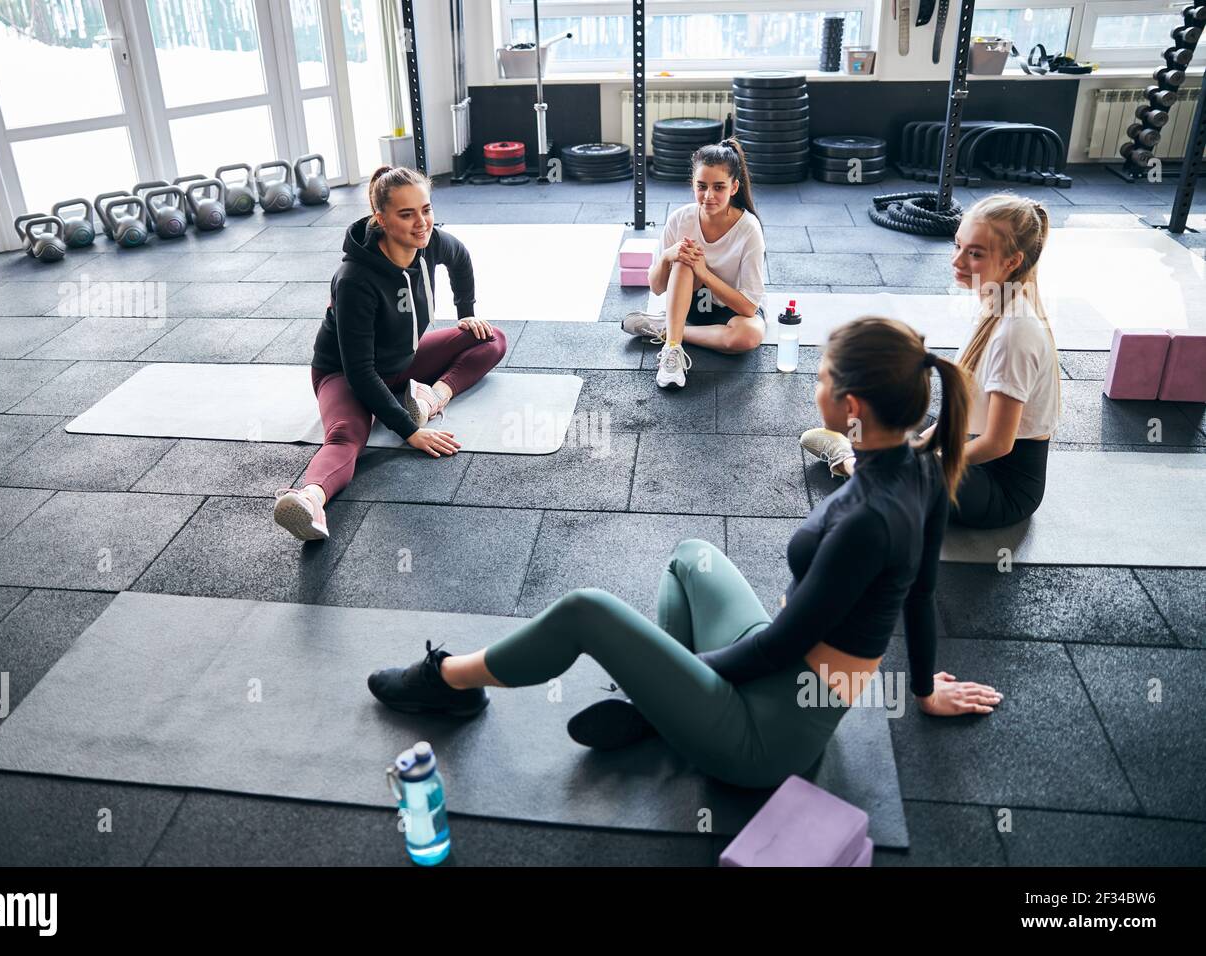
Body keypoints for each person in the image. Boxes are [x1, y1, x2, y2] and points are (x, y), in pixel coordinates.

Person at [366, 317, 1003, 790]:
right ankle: (668, 704)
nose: (816, 391)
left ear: (852, 407)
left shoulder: (869, 519)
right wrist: (922, 690)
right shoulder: (920, 466)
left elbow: (776, 649)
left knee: (587, 610)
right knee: (692, 555)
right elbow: (920, 596)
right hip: (778, 673)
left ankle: (448, 683)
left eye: (822, 381)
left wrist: (665, 669)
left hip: (767, 735)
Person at [272, 166, 506, 542]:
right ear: (380, 219)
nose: (422, 223)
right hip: (344, 375)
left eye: (426, 209)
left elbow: (460, 258)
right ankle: (309, 498)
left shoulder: (430, 243)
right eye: (407, 213)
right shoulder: (354, 280)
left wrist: (467, 314)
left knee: (490, 337)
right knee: (347, 436)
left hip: (404, 361)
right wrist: (410, 432)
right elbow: (361, 371)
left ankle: (431, 398)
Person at [801, 194, 1060, 529]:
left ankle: (846, 461)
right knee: (901, 407)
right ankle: (882, 457)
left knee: (902, 477)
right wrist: (921, 447)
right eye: (958, 246)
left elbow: (998, 443)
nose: (958, 260)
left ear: (1012, 262)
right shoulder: (995, 303)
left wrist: (925, 461)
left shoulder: (1015, 333)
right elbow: (960, 411)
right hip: (971, 438)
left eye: (975, 253)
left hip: (1002, 486)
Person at [621, 138, 768, 389]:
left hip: (732, 310)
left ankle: (668, 330)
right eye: (702, 186)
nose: (709, 196)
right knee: (683, 260)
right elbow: (656, 288)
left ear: (734, 188)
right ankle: (673, 350)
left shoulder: (749, 229)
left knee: (750, 335)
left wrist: (706, 273)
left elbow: (749, 308)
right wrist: (668, 256)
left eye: (719, 187)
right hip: (690, 307)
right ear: (693, 184)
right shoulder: (680, 219)